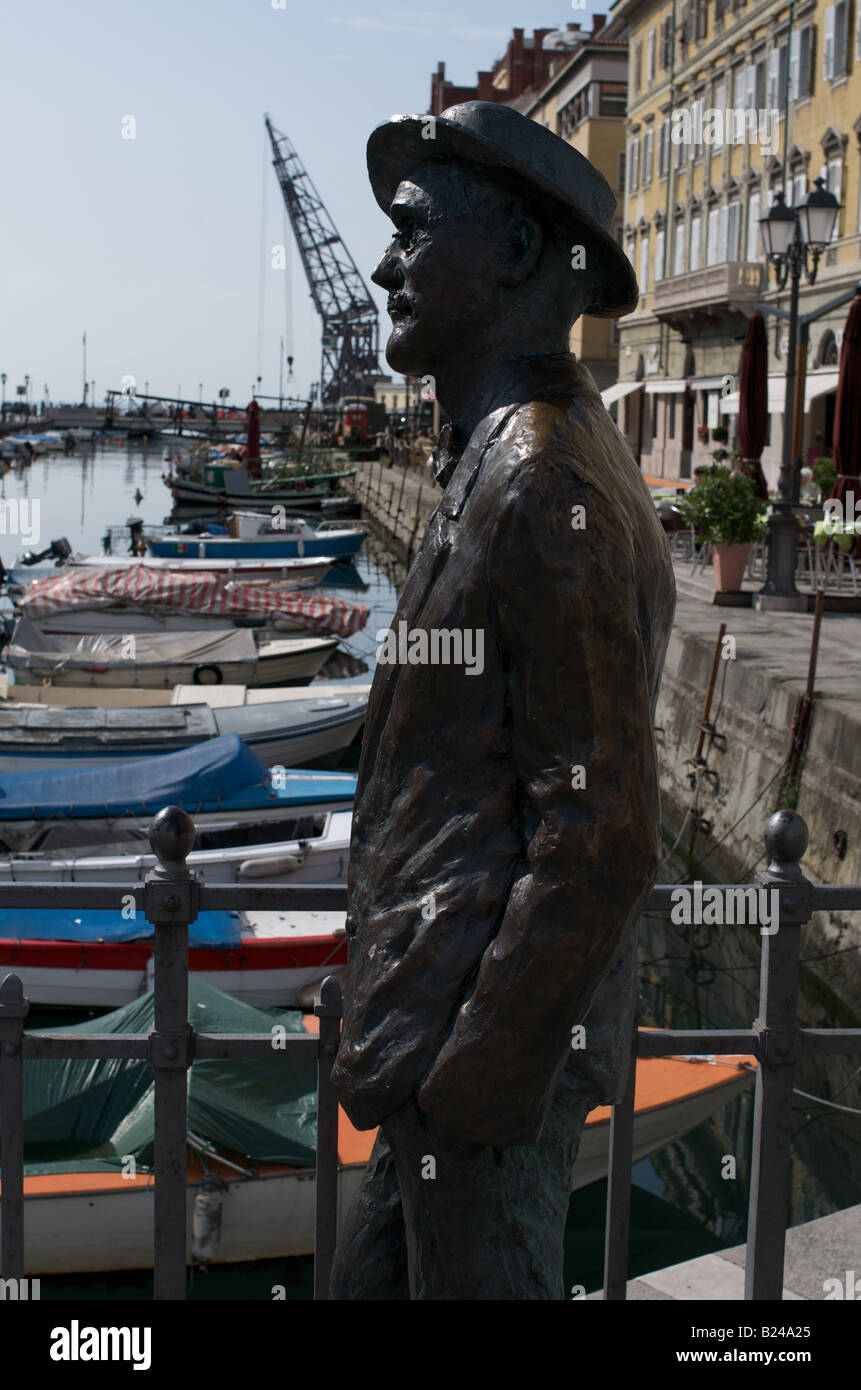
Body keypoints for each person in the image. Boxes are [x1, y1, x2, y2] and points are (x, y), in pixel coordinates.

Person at [329, 100, 676, 1300]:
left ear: (519, 253)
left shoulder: (538, 478)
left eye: (416, 231)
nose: (384, 266)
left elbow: (603, 826)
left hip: (478, 1055)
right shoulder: (515, 450)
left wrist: (479, 1071)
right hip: (443, 1029)